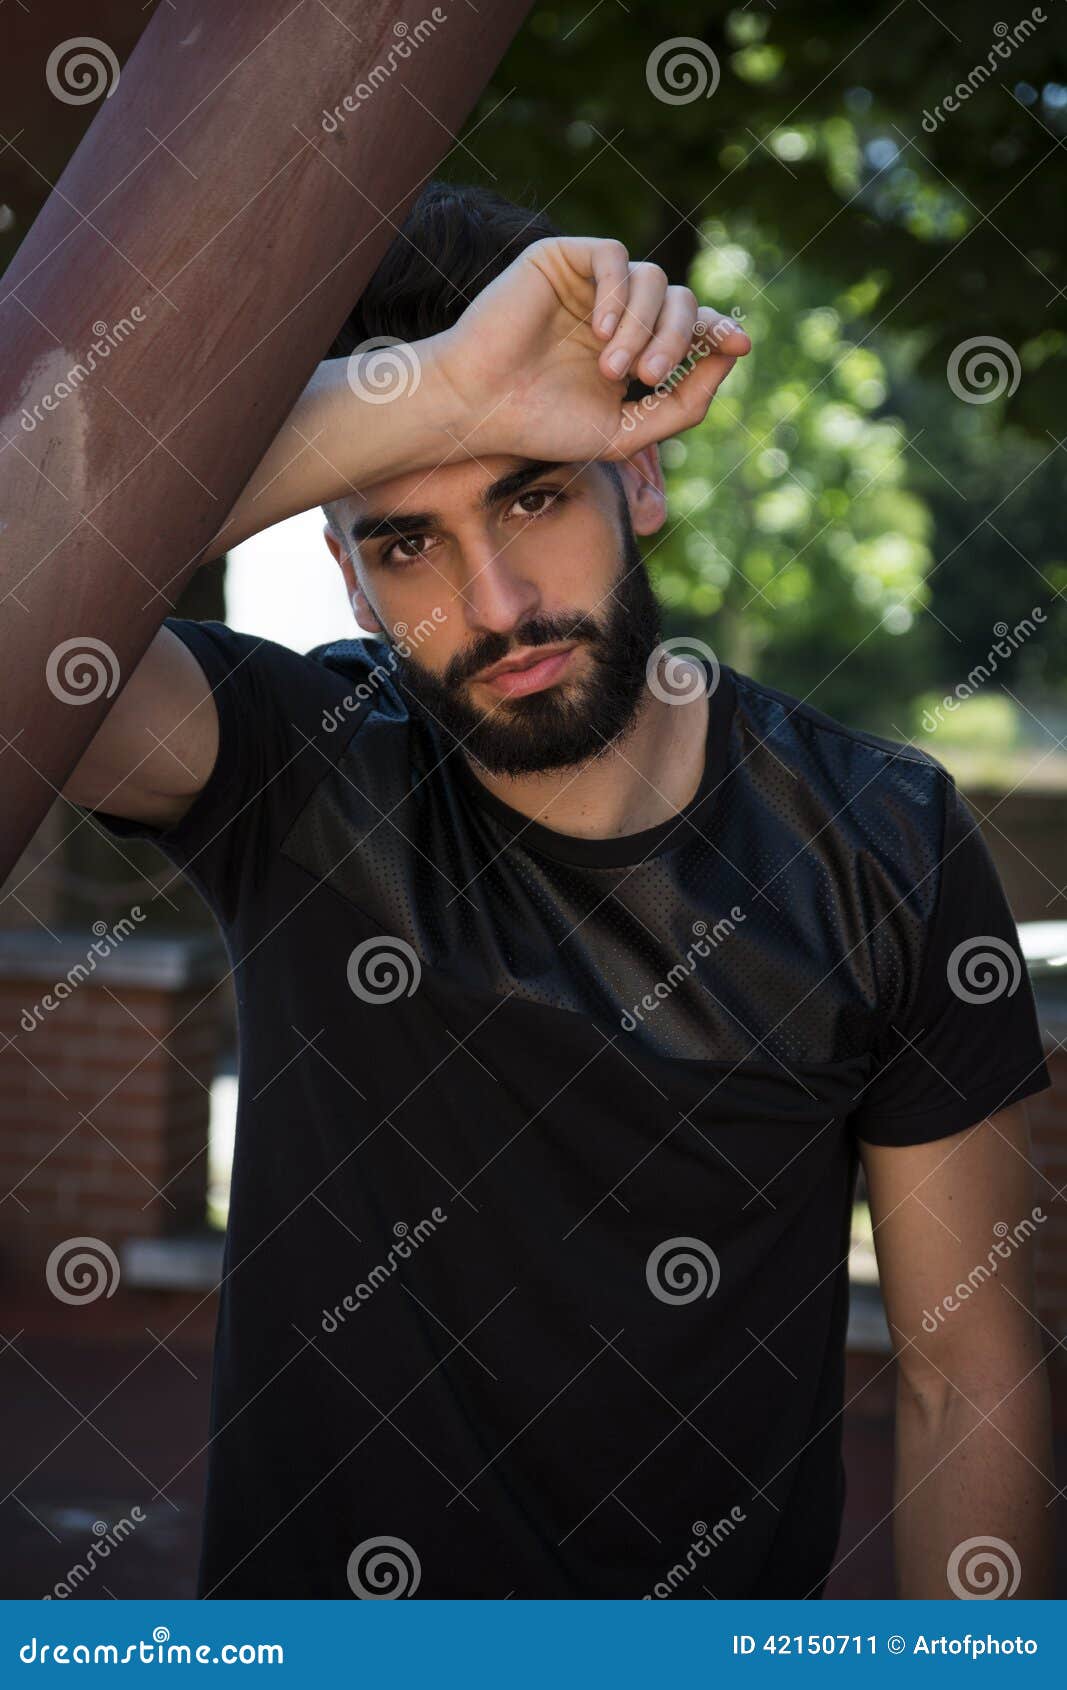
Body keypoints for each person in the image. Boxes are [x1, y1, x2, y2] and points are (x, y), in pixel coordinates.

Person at [64, 182, 1053, 1599]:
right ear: (347, 578)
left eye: (533, 494)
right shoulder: (293, 766)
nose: (500, 603)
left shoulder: (879, 838)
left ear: (636, 474)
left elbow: (964, 1374)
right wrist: (442, 389)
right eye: (407, 541)